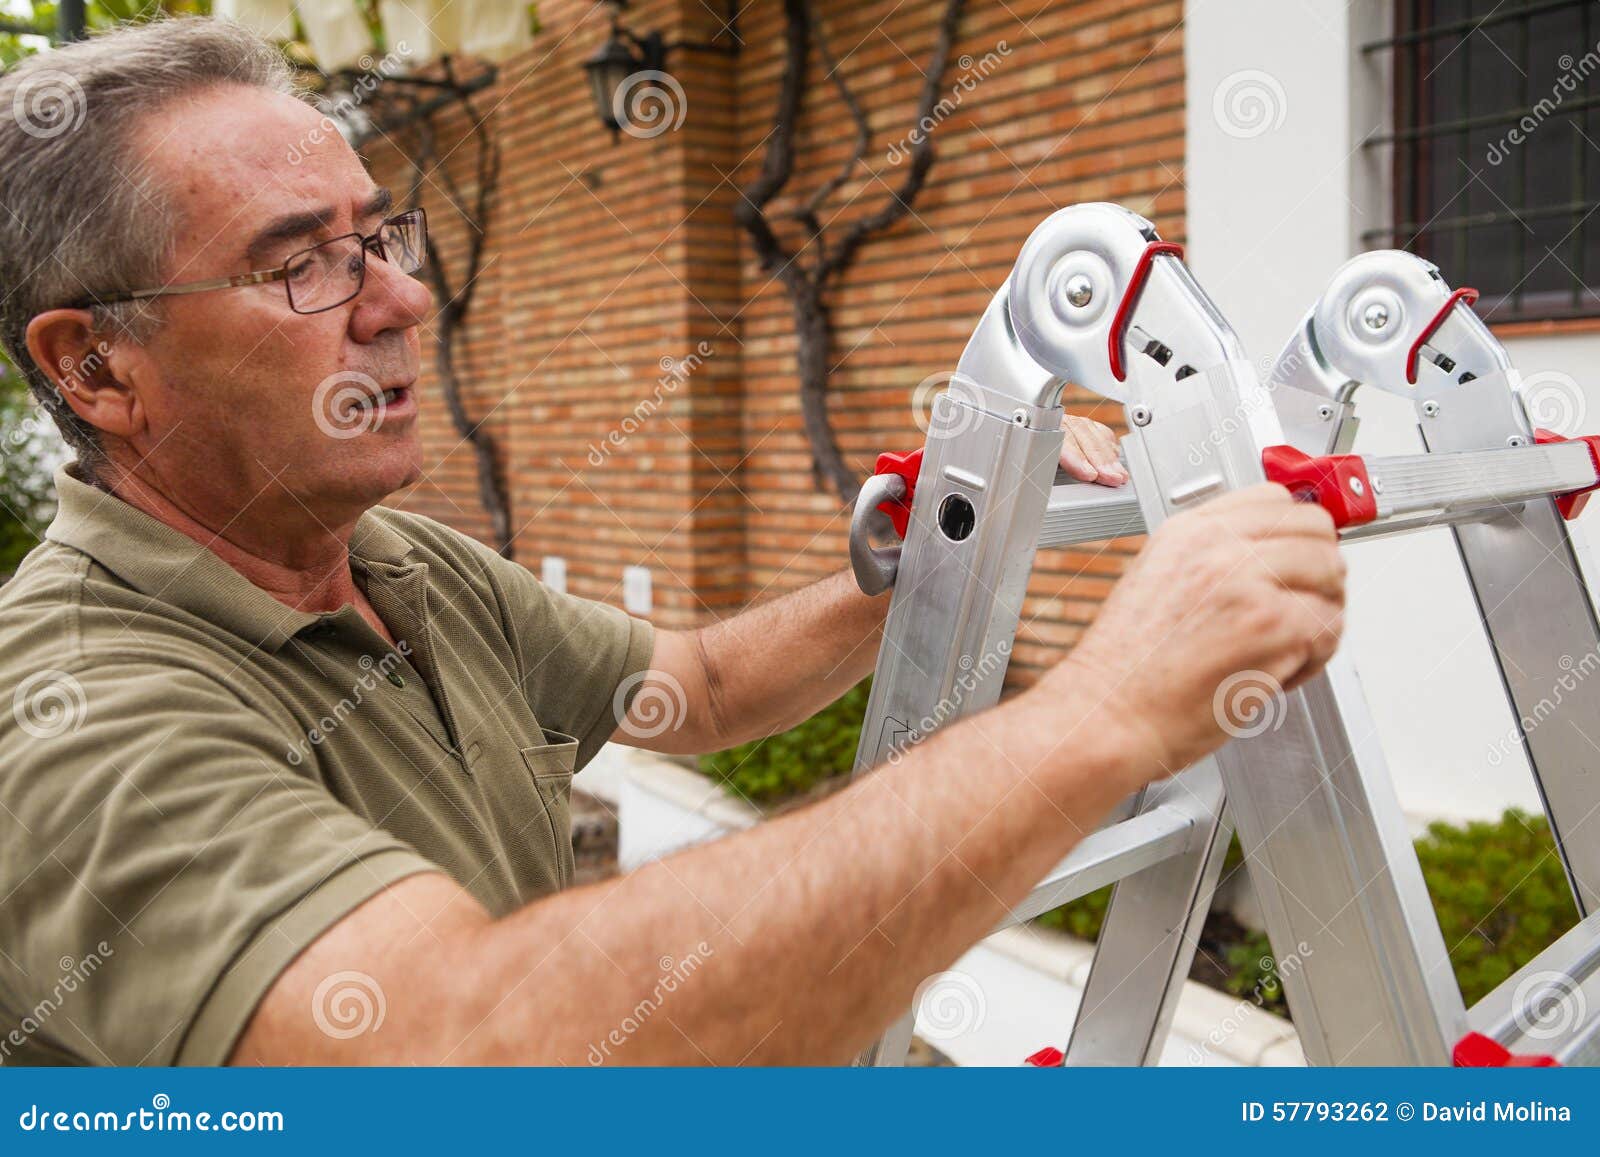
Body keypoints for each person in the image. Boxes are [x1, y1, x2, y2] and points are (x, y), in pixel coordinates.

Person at [0, 18, 1343, 1066]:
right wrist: (1107, 710)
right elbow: (464, 1060)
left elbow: (689, 687)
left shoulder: (403, 564)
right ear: (98, 368)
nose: (404, 298)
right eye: (303, 262)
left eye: (381, 237)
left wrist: (917, 561)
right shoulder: (78, 721)